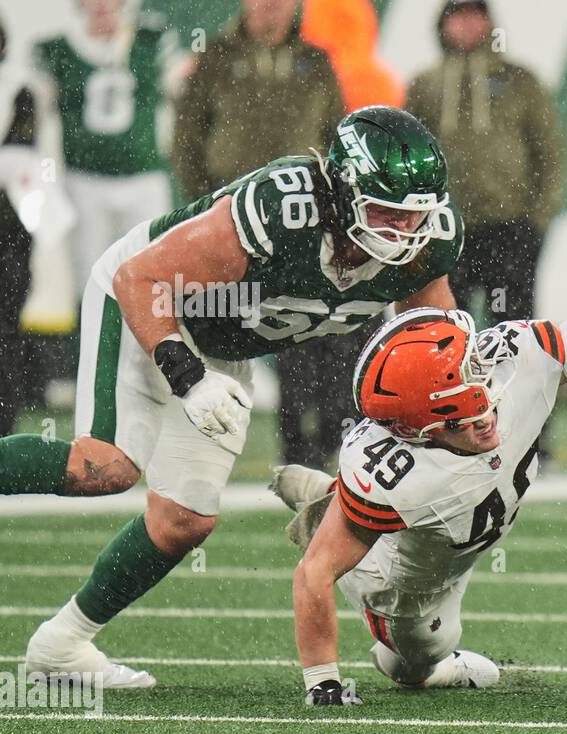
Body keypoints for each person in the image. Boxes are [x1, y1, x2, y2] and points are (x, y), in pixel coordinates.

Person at [0, 106, 462, 689]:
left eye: (414, 216)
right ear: (343, 194)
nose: (400, 232)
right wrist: (187, 375)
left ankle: (60, 645)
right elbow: (141, 279)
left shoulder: (424, 244)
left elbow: (432, 347)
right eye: (384, 212)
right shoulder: (283, 210)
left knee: (185, 522)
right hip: (152, 304)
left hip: (222, 342)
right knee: (108, 466)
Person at [271, 237, 567, 704]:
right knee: (421, 657)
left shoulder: (510, 365)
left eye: (480, 389)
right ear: (417, 431)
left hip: (458, 537)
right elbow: (313, 576)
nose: (484, 418)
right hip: (406, 579)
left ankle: (333, 499)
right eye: (458, 418)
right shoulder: (398, 474)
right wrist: (324, 684)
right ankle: (333, 511)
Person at [172, 0, 352, 470]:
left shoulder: (316, 61)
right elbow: (188, 136)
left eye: (279, 1)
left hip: (305, 216)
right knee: (235, 326)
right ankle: (250, 444)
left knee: (314, 325)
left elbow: (337, 137)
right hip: (232, 215)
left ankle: (329, 437)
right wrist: (207, 200)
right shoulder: (215, 58)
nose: (269, 9)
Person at [405, 0, 567, 327]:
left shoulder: (520, 81)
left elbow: (549, 153)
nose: (466, 25)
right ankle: (458, 382)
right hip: (446, 229)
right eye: (458, 16)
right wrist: (418, 221)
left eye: (475, 16)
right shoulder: (425, 85)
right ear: (443, 25)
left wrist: (536, 221)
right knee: (446, 330)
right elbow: (407, 153)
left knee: (514, 331)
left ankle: (515, 381)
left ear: (489, 23)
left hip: (510, 228)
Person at [35, 0, 179, 294]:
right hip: (85, 179)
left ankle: (143, 342)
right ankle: (92, 340)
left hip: (144, 177)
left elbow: (181, 95)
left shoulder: (153, 42)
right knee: (90, 282)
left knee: (150, 279)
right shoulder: (56, 50)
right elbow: (36, 115)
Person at [0, 14, 38, 436]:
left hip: (7, 230)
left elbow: (17, 162)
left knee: (5, 332)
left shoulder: (17, 88)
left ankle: (4, 427)